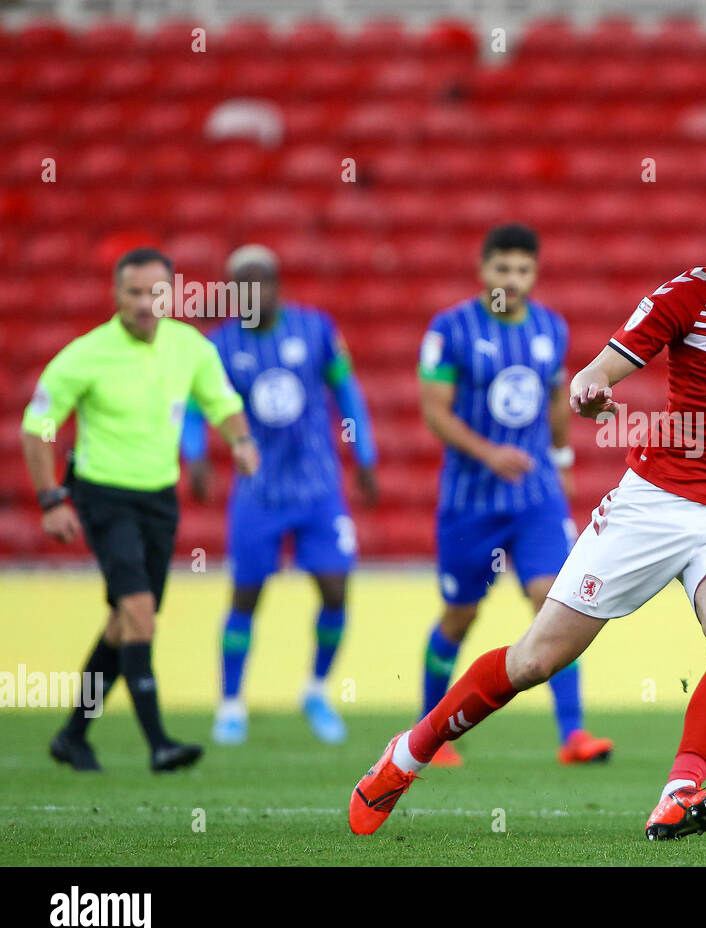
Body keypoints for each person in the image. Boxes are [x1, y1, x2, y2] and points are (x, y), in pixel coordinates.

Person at [349, 165, 706, 839]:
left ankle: (678, 791)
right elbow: (601, 368)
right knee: (535, 659)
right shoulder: (690, 295)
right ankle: (406, 754)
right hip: (657, 503)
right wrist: (591, 388)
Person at [21, 247, 258, 772]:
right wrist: (51, 498)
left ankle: (72, 736)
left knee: (124, 623)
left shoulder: (189, 348)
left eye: (155, 293)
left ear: (171, 294)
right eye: (133, 293)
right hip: (102, 495)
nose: (145, 303)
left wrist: (240, 442)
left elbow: (222, 403)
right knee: (140, 614)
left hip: (158, 499)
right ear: (116, 295)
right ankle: (159, 745)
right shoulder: (86, 354)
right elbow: (37, 426)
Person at [417, 224, 611, 766]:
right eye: (503, 269)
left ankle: (573, 735)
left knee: (555, 601)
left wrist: (564, 460)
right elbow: (435, 411)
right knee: (459, 616)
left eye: (523, 270)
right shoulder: (449, 329)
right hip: (469, 501)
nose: (513, 280)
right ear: (483, 271)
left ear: (534, 274)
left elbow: (555, 402)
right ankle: (429, 736)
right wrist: (489, 454)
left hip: (535, 499)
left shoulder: (551, 328)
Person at [182, 244, 379, 746]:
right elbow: (194, 407)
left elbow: (347, 393)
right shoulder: (219, 347)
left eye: (260, 283)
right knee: (246, 596)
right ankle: (230, 704)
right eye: (240, 286)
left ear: (276, 286)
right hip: (259, 492)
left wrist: (366, 456)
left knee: (335, 589)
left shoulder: (316, 330)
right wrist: (197, 454)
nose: (252, 295)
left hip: (318, 489)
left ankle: (315, 689)